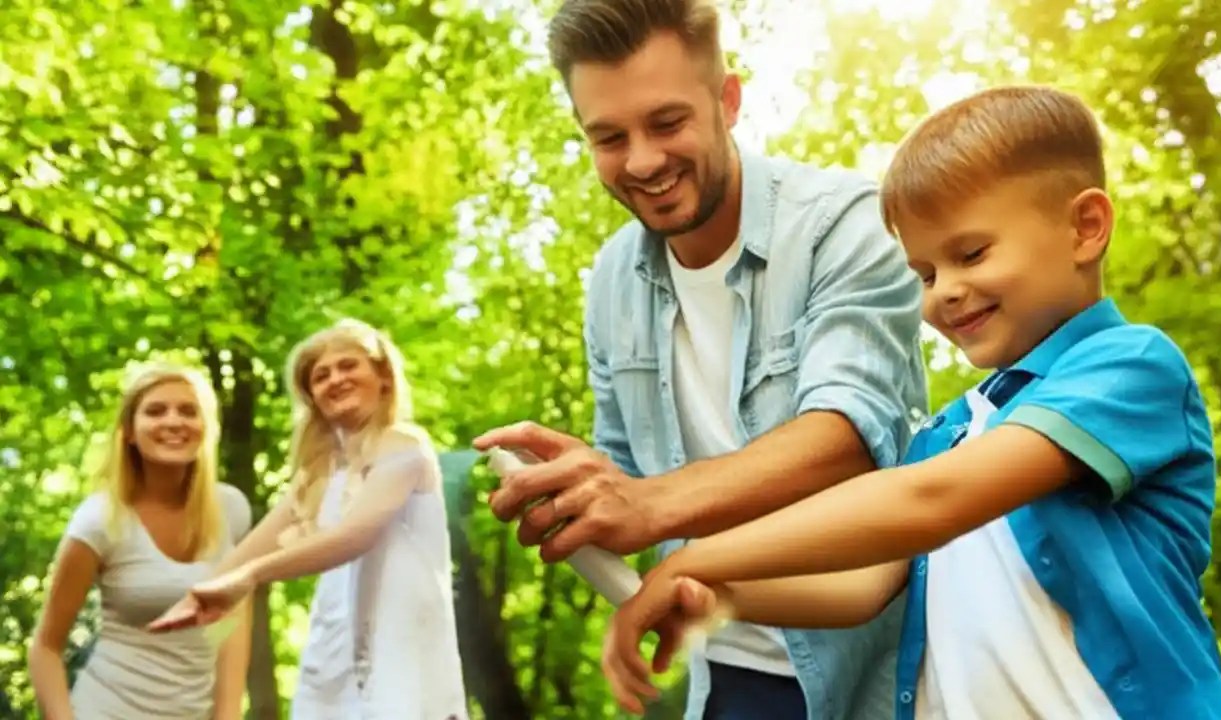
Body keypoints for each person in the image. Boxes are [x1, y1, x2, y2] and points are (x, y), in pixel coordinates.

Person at [600, 85, 1221, 720]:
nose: (944, 294)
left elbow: (931, 501)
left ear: (1085, 228)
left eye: (971, 254)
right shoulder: (949, 434)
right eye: (926, 274)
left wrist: (696, 552)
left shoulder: (1127, 367)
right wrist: (714, 596)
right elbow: (864, 586)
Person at [473, 1, 927, 718]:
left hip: (872, 673)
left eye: (667, 122)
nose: (643, 161)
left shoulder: (847, 224)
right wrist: (575, 496)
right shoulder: (613, 280)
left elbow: (845, 435)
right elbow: (629, 478)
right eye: (609, 137)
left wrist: (648, 505)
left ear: (729, 101)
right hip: (724, 666)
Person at [148, 319, 469, 719]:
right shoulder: (319, 473)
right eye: (321, 376)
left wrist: (251, 578)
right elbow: (252, 547)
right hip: (334, 651)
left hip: (400, 649)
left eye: (348, 365)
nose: (335, 379)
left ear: (383, 376)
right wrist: (191, 601)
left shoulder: (403, 445)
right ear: (313, 398)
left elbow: (356, 536)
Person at [27, 362, 253, 720]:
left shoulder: (232, 509)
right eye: (155, 411)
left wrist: (227, 715)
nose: (174, 421)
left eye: (188, 411)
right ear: (129, 432)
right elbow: (45, 647)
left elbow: (234, 624)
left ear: (206, 428)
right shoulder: (100, 519)